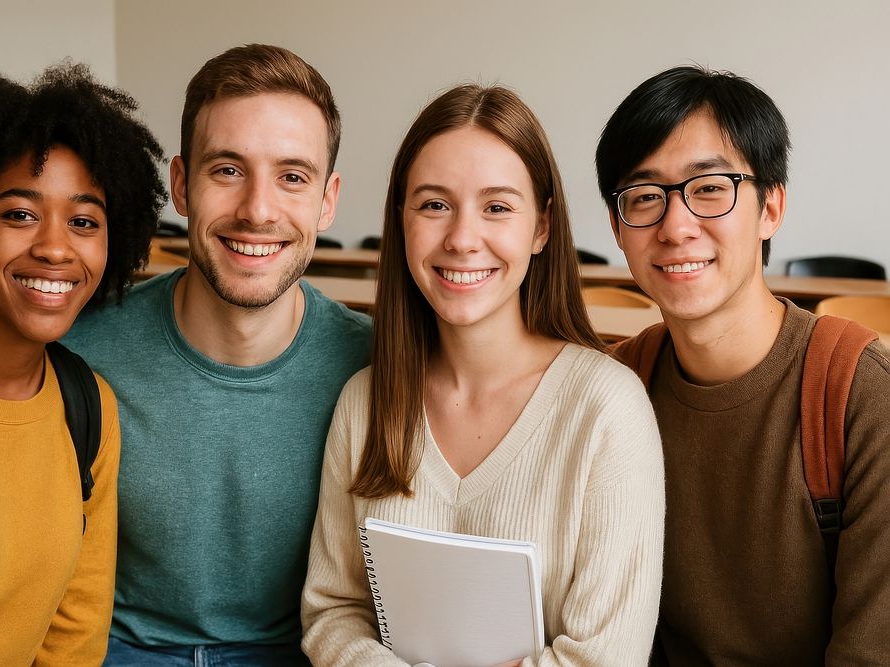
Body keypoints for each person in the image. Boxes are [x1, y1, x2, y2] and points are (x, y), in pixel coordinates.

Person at [301, 84, 665, 666]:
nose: (463, 239)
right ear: (401, 220)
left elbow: (606, 658)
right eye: (434, 205)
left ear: (541, 227)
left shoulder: (607, 409)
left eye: (497, 207)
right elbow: (334, 611)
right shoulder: (364, 401)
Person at [61, 44, 371, 665]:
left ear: (328, 199)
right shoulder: (78, 349)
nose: (257, 210)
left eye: (292, 176)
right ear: (180, 185)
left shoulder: (376, 368)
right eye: (227, 170)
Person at [595, 65, 890, 664]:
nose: (676, 226)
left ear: (771, 208)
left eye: (709, 188)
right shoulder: (615, 390)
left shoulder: (861, 395)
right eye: (645, 197)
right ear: (617, 229)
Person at [0, 62, 166, 664]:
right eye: (19, 214)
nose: (54, 246)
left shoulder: (89, 408)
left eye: (84, 221)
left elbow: (75, 636)